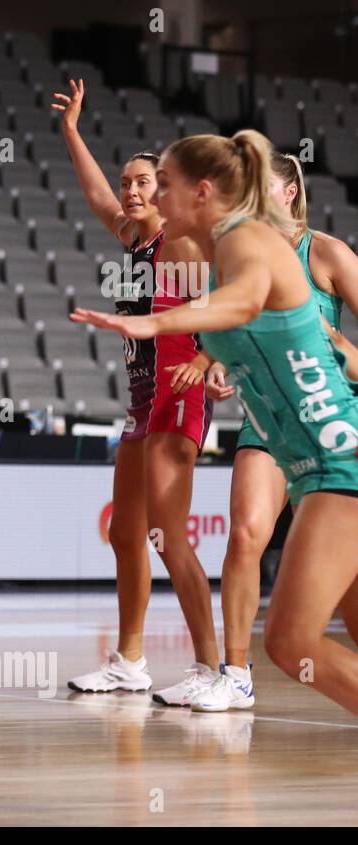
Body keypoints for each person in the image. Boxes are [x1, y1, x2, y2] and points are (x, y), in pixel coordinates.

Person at [72, 129, 358, 717]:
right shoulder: (212, 246)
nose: (150, 198)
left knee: (289, 641)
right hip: (304, 458)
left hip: (336, 452)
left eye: (163, 186)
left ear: (200, 192)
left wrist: (158, 327)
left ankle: (217, 666)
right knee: (326, 627)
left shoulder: (247, 243)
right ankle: (203, 666)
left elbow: (249, 299)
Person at [167, 151, 358, 712]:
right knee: (246, 534)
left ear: (290, 193)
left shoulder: (326, 253)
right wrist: (212, 365)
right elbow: (229, 330)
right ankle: (235, 673)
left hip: (331, 427)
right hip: (266, 424)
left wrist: (345, 351)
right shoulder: (235, 259)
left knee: (344, 605)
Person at [52, 79, 220, 705]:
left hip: (178, 394)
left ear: (166, 189)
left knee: (168, 537)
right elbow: (95, 196)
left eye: (142, 182)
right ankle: (129, 662)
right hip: (141, 403)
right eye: (127, 182)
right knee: (127, 533)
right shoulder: (134, 239)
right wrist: (71, 132)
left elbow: (230, 301)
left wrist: (209, 360)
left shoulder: (182, 242)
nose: (129, 190)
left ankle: (214, 668)